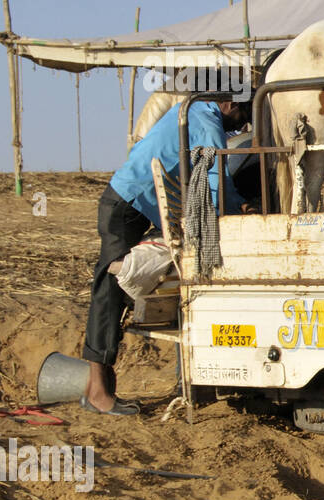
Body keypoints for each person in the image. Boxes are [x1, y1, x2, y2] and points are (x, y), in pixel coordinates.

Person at [81, 94, 250, 414]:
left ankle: (95, 387)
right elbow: (218, 182)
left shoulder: (190, 109)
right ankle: (98, 393)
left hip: (131, 203)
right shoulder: (207, 124)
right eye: (242, 114)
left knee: (114, 291)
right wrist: (245, 207)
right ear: (228, 103)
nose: (241, 125)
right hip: (126, 204)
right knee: (108, 293)